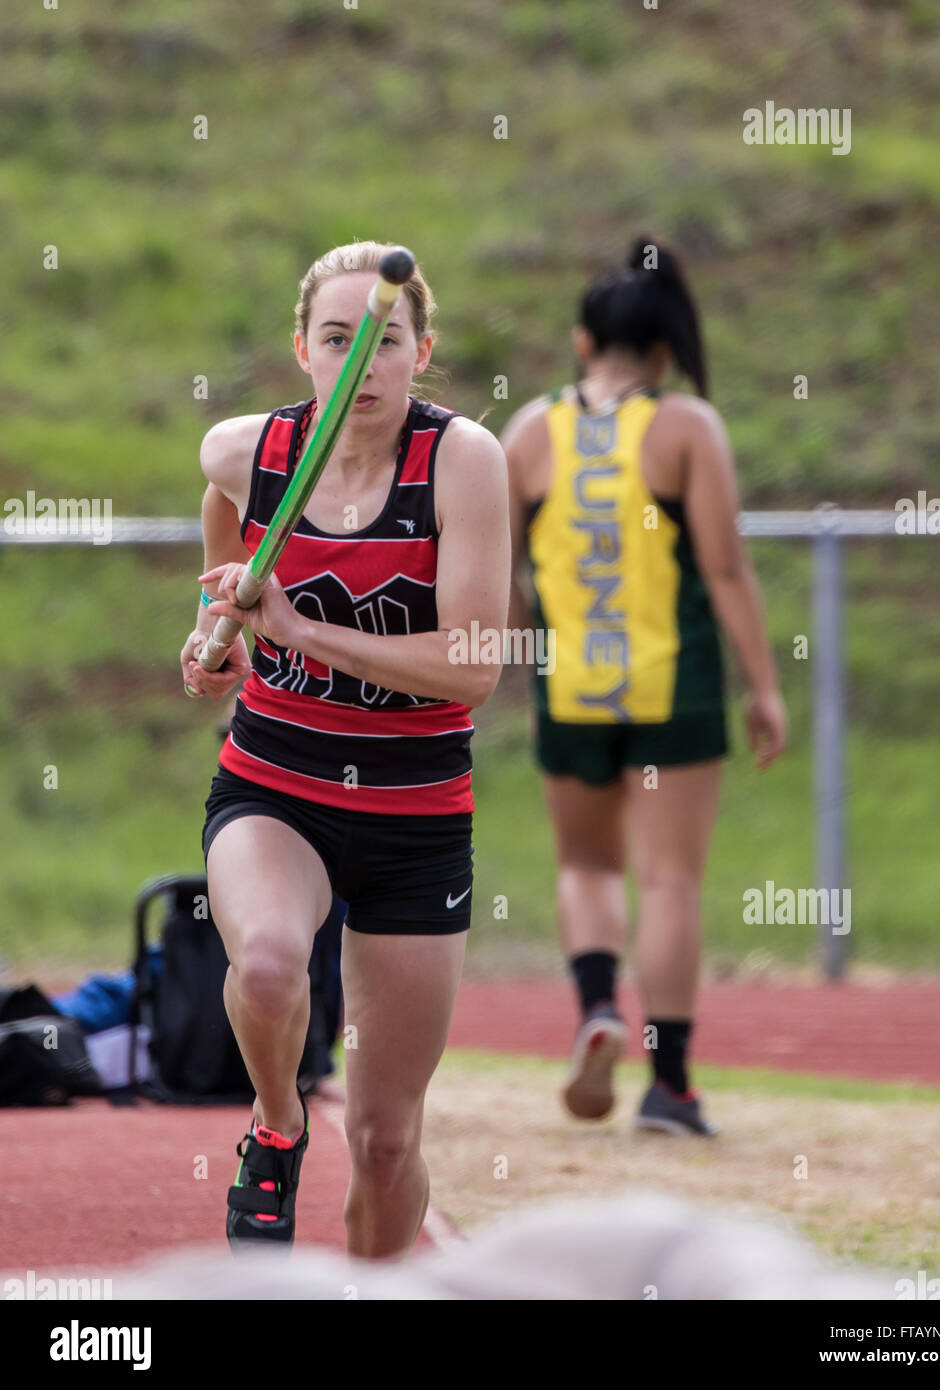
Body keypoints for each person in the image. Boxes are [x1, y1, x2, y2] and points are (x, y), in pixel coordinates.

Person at [178, 241, 509, 1256]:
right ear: (302, 349)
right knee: (271, 967)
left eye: (383, 341)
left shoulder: (460, 463)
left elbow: (471, 665)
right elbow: (225, 547)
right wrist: (213, 636)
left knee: (384, 1139)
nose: (361, 364)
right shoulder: (245, 453)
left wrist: (302, 631)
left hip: (414, 818)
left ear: (419, 352)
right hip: (277, 785)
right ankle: (276, 1127)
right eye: (338, 339)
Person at [502, 236, 787, 1136]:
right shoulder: (686, 428)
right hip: (676, 690)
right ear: (665, 348)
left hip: (571, 687)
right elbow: (728, 569)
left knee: (587, 863)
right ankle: (670, 1087)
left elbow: (496, 575)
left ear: (583, 343)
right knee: (669, 881)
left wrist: (499, 661)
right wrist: (765, 687)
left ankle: (595, 1009)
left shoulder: (526, 433)